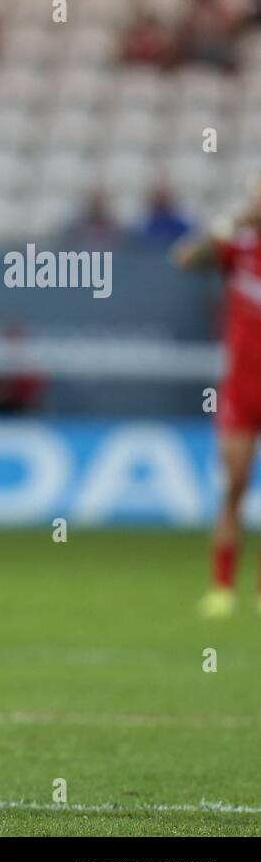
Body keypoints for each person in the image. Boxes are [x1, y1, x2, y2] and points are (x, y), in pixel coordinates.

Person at [171, 175, 261, 618]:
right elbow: (185, 259)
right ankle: (222, 587)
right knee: (234, 488)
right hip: (242, 391)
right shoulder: (237, 248)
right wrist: (227, 223)